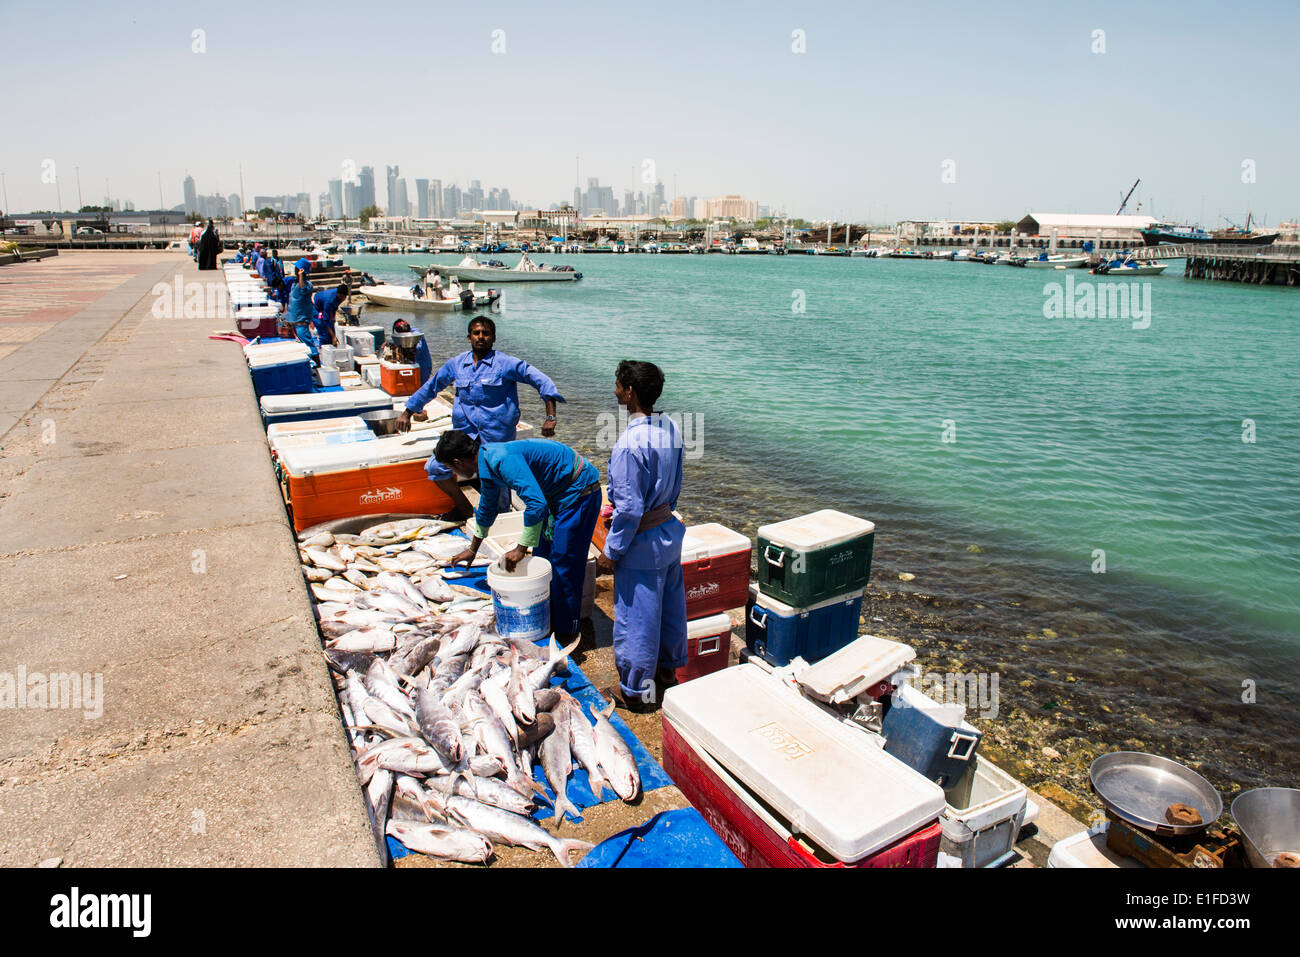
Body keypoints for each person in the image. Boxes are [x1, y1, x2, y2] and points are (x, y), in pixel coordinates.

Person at [395, 316, 562, 519]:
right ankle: (464, 507)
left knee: (497, 483)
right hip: (465, 436)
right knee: (435, 467)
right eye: (476, 333)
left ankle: (499, 519)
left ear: (493, 338)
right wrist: (407, 412)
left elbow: (540, 379)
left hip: (496, 437)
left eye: (486, 333)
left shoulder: (505, 364)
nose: (481, 337)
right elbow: (433, 386)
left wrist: (550, 416)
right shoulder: (457, 364)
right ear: (469, 337)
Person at [439, 430, 601, 641]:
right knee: (542, 560)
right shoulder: (486, 462)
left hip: (578, 493)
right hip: (553, 496)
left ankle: (566, 633)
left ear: (458, 462)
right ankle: (548, 617)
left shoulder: (501, 460)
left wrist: (521, 547)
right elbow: (487, 507)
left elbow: (536, 503)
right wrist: (472, 549)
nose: (453, 472)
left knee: (564, 565)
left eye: (450, 468)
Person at [595, 361, 687, 713]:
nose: (615, 390)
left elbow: (630, 510)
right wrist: (660, 511)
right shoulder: (671, 428)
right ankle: (665, 673)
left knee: (636, 619)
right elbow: (675, 485)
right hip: (668, 533)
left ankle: (634, 692)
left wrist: (612, 551)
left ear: (630, 392)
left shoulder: (629, 445)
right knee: (668, 611)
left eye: (618, 385)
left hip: (642, 546)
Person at [284, 258, 318, 357]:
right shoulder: (295, 283)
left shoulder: (307, 285)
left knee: (309, 344)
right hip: (295, 322)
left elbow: (303, 289)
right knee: (303, 345)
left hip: (301, 322)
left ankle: (316, 361)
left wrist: (301, 276)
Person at [388, 318, 432, 384]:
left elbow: (419, 348)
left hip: (423, 364)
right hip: (413, 363)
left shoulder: (416, 333)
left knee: (421, 386)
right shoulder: (403, 335)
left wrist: (409, 348)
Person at [312, 281, 349, 348]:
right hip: (316, 308)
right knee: (324, 332)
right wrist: (333, 337)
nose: (342, 299)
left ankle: (331, 343)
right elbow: (326, 321)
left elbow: (333, 311)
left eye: (343, 297)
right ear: (338, 294)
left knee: (331, 325)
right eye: (340, 296)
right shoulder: (329, 301)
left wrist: (333, 334)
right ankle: (323, 350)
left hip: (325, 306)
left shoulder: (339, 297)